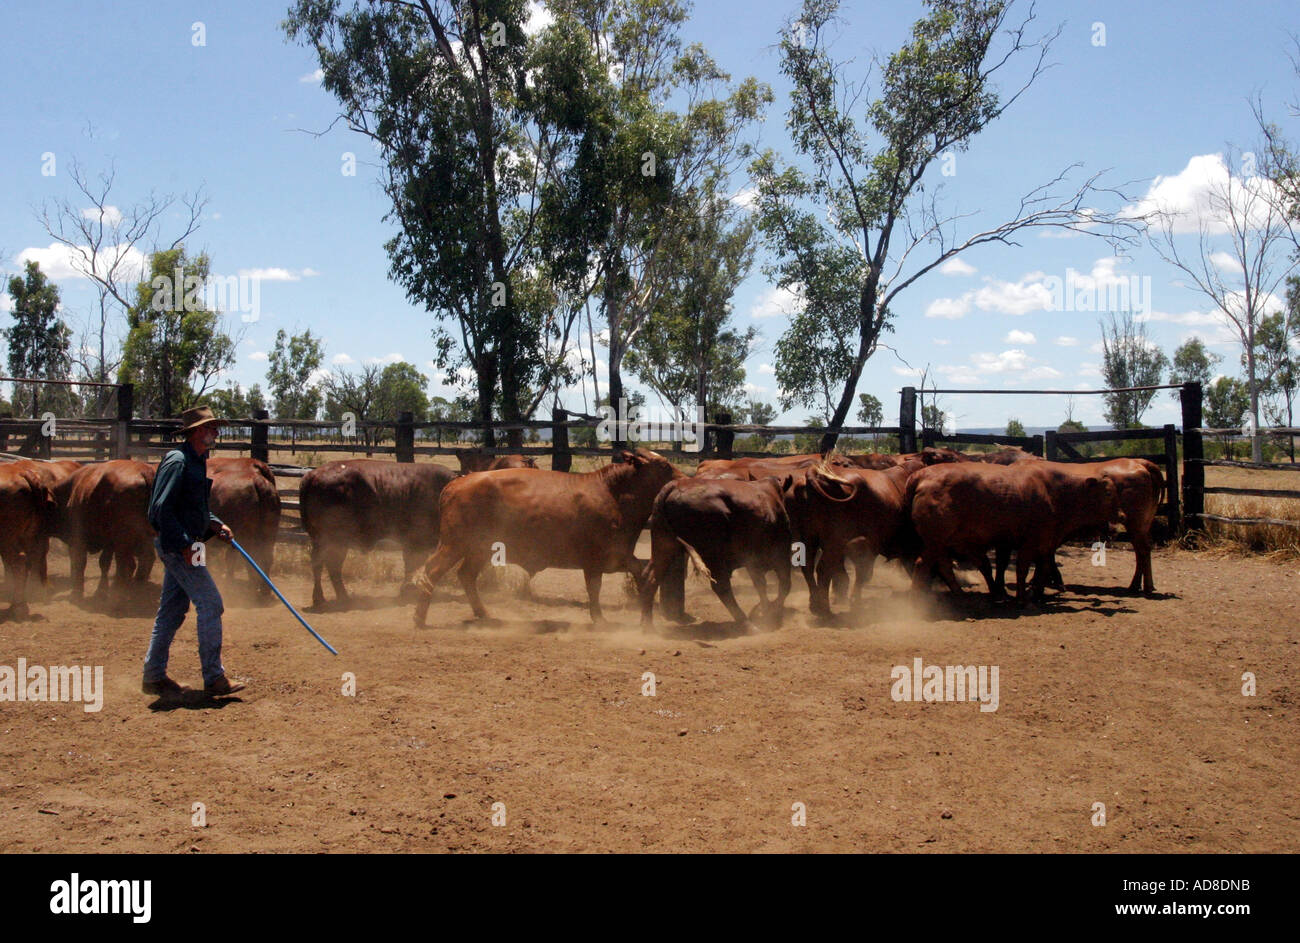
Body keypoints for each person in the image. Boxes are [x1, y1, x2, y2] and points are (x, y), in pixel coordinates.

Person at [141, 405, 244, 700]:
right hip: (180, 547)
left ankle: (153, 676)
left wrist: (216, 524)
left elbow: (193, 508)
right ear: (198, 431)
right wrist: (185, 544)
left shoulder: (197, 460)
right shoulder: (178, 461)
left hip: (192, 544)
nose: (216, 432)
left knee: (172, 611)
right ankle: (213, 678)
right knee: (211, 603)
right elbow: (161, 509)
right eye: (212, 428)